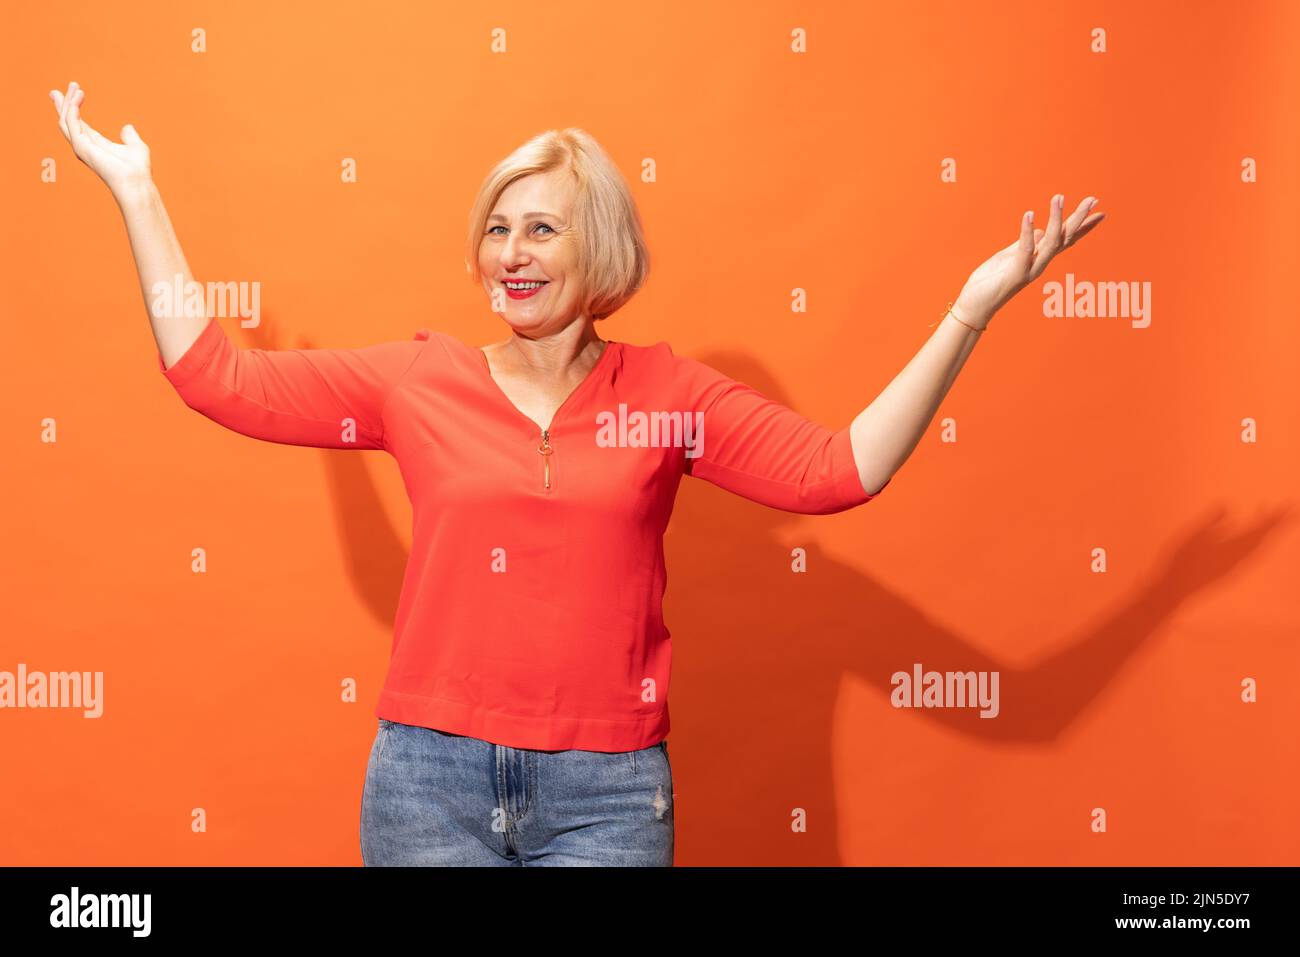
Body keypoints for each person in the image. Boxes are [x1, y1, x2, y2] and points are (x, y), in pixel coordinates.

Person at [47, 80, 1105, 866]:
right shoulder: (420, 380)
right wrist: (138, 193)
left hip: (607, 795)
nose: (510, 251)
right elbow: (214, 377)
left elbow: (841, 469)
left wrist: (970, 308)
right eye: (496, 229)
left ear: (594, 248)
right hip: (429, 784)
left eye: (540, 227)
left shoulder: (670, 395)